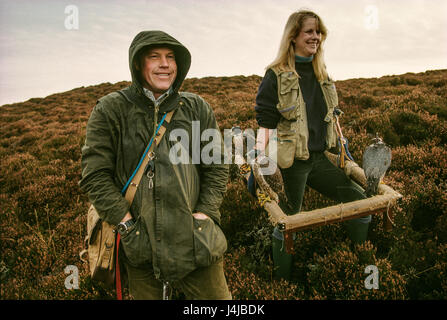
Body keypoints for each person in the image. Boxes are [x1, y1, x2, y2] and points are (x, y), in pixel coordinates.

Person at [79, 30, 231, 300]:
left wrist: (206, 213)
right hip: (141, 247)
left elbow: (216, 165)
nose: (165, 64)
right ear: (138, 63)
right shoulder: (110, 109)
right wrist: (127, 228)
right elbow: (95, 176)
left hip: (197, 244)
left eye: (171, 57)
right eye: (154, 57)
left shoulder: (196, 107)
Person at [253, 10, 371, 281]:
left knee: (361, 203)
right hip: (291, 164)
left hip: (319, 159)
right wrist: (259, 161)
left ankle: (361, 264)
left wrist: (343, 147)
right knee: (288, 221)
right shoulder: (276, 75)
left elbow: (332, 117)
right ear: (293, 36)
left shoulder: (321, 73)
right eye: (309, 31)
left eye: (318, 32)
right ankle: (282, 283)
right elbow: (266, 124)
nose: (315, 37)